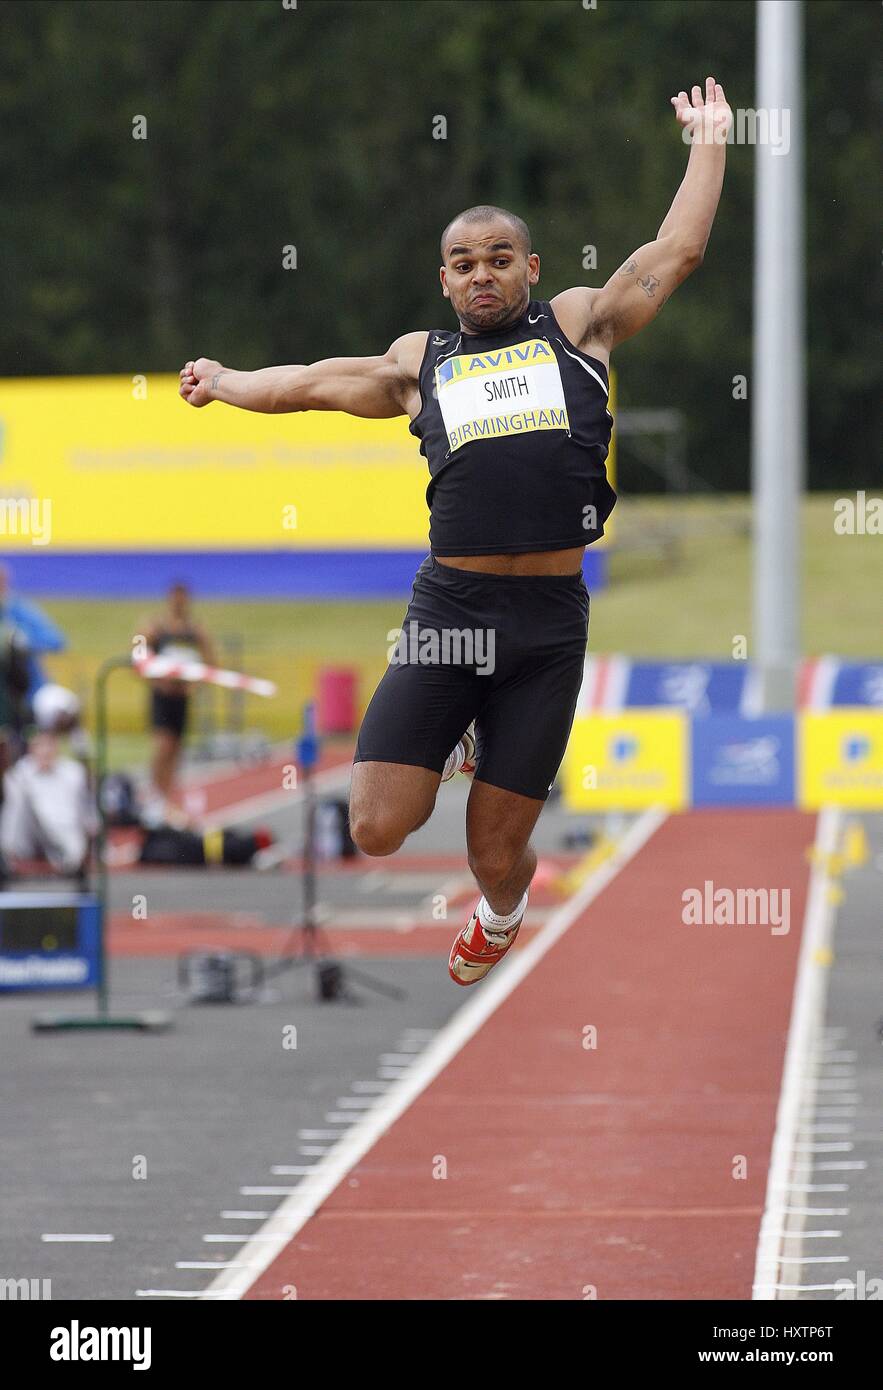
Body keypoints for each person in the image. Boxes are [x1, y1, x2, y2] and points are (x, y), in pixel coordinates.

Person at [180, 79, 730, 985]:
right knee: (375, 826)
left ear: (531, 268)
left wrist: (708, 139)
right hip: (452, 610)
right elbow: (312, 382)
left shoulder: (580, 327)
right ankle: (459, 740)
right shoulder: (418, 363)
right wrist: (226, 379)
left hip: (548, 622)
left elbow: (677, 251)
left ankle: (505, 910)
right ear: (445, 279)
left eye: (500, 258)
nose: (483, 273)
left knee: (491, 854)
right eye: (465, 262)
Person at [141, 582, 215, 819]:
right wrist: (156, 680)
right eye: (175, 598)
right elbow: (139, 655)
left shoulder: (195, 631)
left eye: (183, 599)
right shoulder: (157, 628)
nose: (179, 603)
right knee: (163, 746)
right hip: (162, 696)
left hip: (181, 698)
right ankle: (154, 795)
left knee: (176, 749)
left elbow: (210, 661)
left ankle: (165, 798)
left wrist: (193, 686)